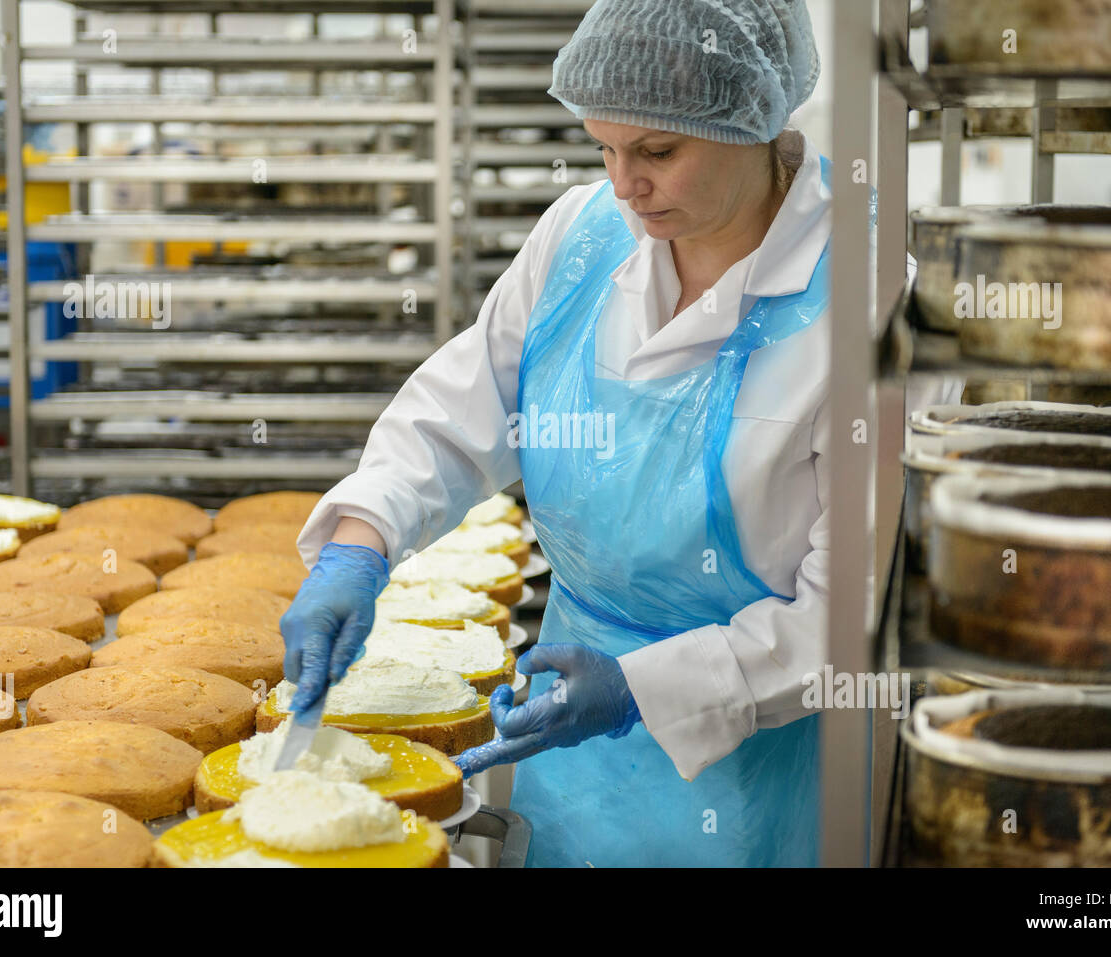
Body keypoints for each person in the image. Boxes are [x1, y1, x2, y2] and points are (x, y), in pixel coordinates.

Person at [283, 0, 839, 867]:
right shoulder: (581, 239)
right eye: (603, 148)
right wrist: (360, 545)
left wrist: (638, 690)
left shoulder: (865, 297)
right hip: (564, 751)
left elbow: (849, 618)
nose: (624, 185)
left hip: (753, 770)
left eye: (657, 152)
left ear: (756, 120)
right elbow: (460, 409)